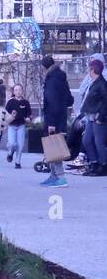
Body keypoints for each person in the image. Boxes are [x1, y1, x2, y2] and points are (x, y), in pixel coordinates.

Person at [41, 55, 73, 187]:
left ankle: (60, 177)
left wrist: (52, 123)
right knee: (53, 146)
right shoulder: (61, 77)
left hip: (53, 119)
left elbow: (52, 101)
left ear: (44, 67)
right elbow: (70, 99)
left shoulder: (51, 79)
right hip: (61, 116)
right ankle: (53, 176)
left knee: (54, 146)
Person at [79, 56, 107, 176]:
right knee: (86, 140)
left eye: (90, 69)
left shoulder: (102, 84)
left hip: (98, 118)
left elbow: (106, 101)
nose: (88, 72)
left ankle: (103, 165)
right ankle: (94, 163)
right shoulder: (94, 83)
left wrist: (101, 117)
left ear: (93, 70)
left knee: (98, 142)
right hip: (91, 116)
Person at [3, 83, 31, 170]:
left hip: (21, 126)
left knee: (21, 145)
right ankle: (10, 153)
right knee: (12, 143)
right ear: (13, 92)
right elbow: (5, 114)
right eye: (16, 90)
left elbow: (29, 114)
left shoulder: (25, 102)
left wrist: (28, 118)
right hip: (12, 126)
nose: (18, 92)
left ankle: (17, 162)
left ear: (22, 91)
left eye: (19, 90)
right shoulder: (10, 102)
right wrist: (9, 118)